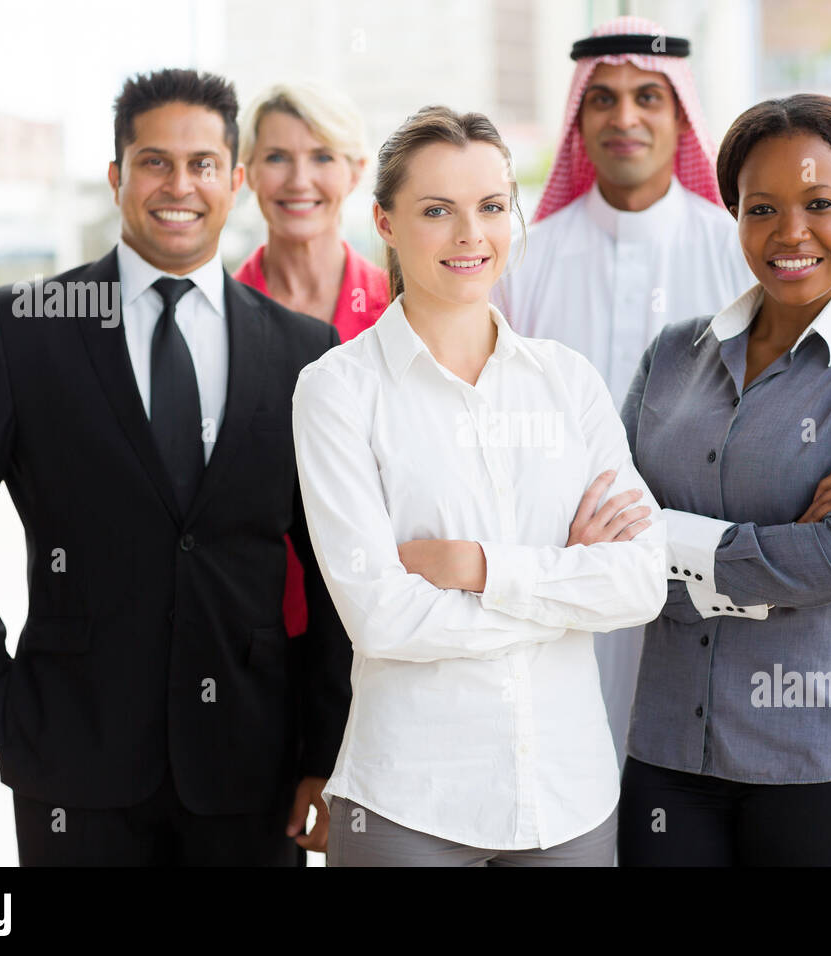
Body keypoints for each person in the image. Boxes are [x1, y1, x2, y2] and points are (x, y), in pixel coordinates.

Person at [0, 68, 352, 865]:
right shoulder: (24, 329)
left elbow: (328, 568)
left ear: (234, 180)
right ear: (116, 177)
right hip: (72, 762)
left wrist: (324, 751)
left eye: (203, 164)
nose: (180, 185)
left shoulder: (304, 354)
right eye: (153, 161)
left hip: (252, 770)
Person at [292, 105, 667, 866]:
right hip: (410, 803)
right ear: (386, 224)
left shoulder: (569, 381)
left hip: (570, 800)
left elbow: (641, 584)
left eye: (492, 207)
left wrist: (477, 568)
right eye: (437, 211)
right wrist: (563, 594)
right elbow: (384, 619)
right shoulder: (337, 391)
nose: (471, 236)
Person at [618, 94, 831, 866]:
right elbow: (599, 541)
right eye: (762, 208)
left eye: (820, 204)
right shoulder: (671, 353)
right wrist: (784, 545)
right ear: (735, 216)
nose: (791, 233)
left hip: (827, 764)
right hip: (669, 759)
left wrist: (673, 544)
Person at [491, 14, 754, 766]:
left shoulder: (735, 251)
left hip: (703, 580)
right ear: (579, 117)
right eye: (602, 99)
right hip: (557, 574)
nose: (625, 117)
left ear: (680, 115)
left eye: (648, 96)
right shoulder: (526, 260)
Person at [233, 80, 389, 646]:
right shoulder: (214, 321)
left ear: (354, 172)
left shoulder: (400, 313)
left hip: (376, 617)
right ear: (245, 171)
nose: (299, 180)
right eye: (277, 157)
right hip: (251, 623)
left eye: (322, 157)